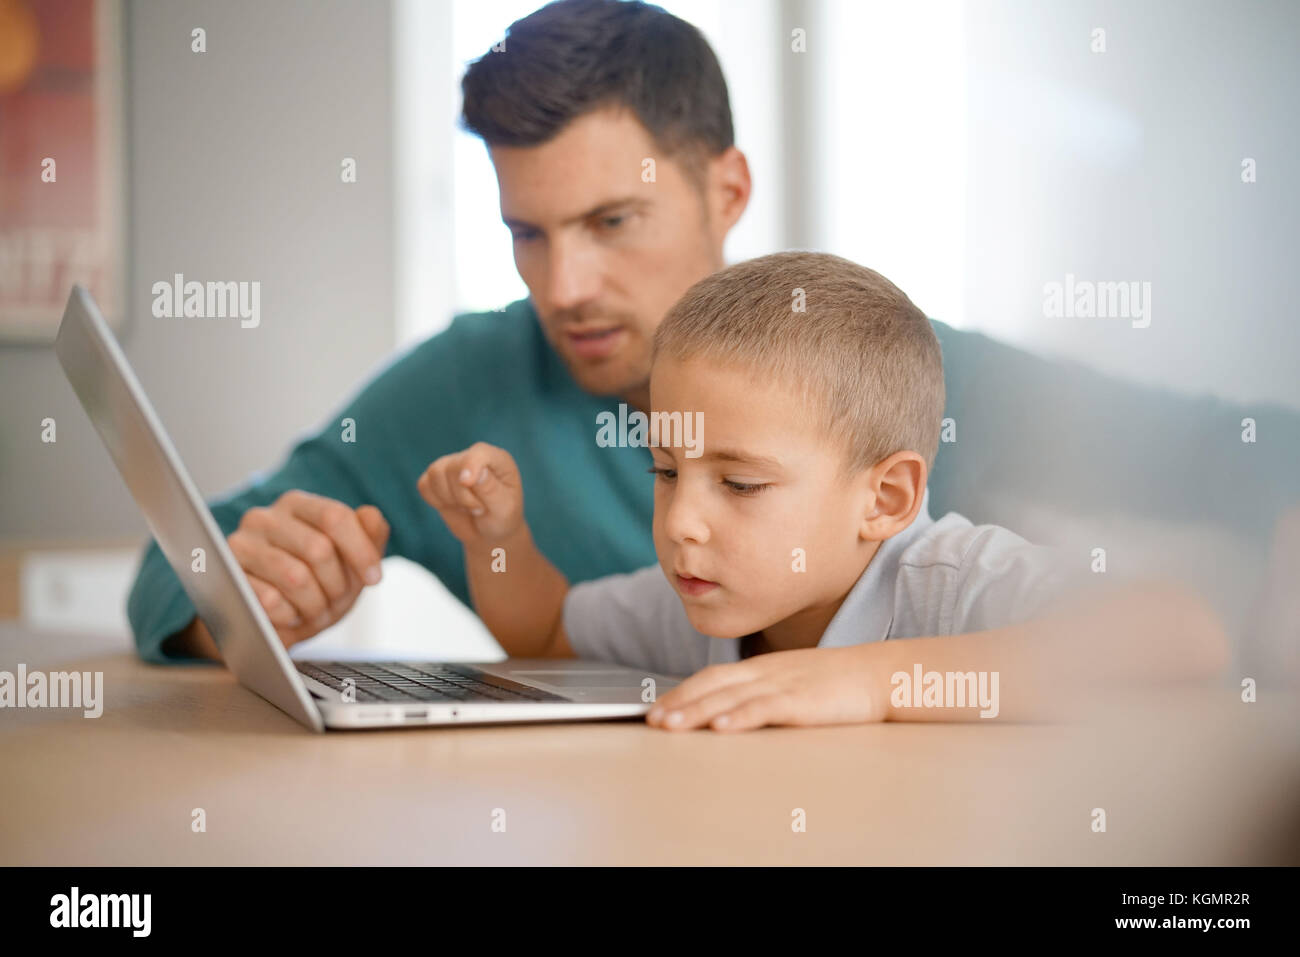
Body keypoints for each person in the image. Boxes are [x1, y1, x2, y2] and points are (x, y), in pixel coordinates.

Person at [128, 0, 1297, 667]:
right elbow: (167, 574)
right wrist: (235, 592)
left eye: (612, 221)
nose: (565, 285)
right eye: (526, 234)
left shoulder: (875, 364)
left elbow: (1227, 458)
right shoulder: (464, 384)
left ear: (725, 191)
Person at [416, 252, 1229, 731]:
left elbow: (1183, 635)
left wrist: (867, 681)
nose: (683, 524)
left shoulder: (949, 581)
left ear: (885, 499)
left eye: (738, 482)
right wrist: (499, 541)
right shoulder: (702, 597)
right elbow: (547, 635)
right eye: (666, 471)